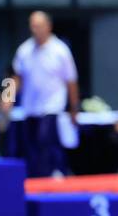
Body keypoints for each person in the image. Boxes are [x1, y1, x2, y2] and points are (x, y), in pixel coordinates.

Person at [7, 11, 80, 178]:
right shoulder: (24, 50)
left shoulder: (60, 50)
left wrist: (74, 107)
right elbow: (15, 76)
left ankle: (52, 176)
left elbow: (71, 81)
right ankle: (35, 180)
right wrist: (7, 98)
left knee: (45, 142)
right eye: (32, 26)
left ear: (48, 26)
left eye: (38, 26)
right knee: (31, 147)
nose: (35, 29)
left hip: (52, 106)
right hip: (30, 107)